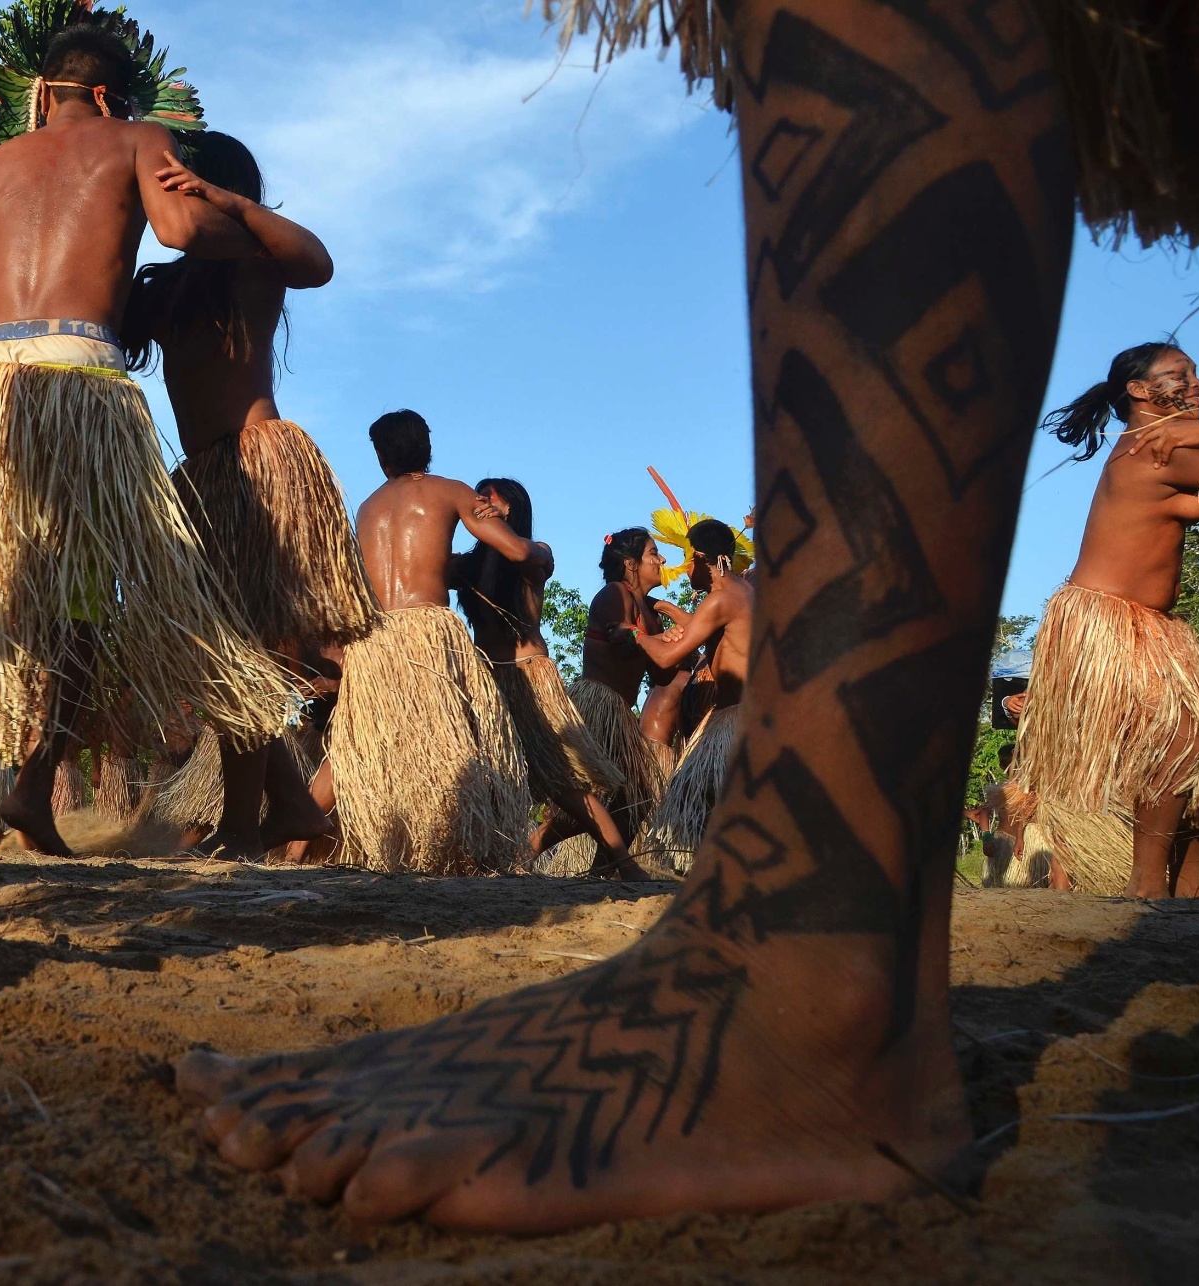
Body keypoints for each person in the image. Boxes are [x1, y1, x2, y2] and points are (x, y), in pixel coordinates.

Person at [175, 0, 1112, 1229]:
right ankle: (807, 961)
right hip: (459, 652)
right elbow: (558, 577)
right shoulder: (470, 506)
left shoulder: (368, 498)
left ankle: (815, 980)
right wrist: (541, 563)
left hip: (397, 634)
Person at [0, 24, 298, 856]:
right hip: (79, 377)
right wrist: (238, 216)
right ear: (114, 97)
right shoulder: (137, 138)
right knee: (84, 601)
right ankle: (34, 784)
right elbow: (179, 232)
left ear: (44, 91)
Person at [120, 130, 373, 859]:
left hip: (260, 465)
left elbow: (318, 263)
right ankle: (289, 806)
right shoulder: (165, 287)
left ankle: (242, 825)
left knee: (244, 650)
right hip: (202, 480)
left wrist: (227, 203)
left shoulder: (256, 263)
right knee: (219, 651)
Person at [1007, 343, 1199, 898]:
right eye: (1178, 375)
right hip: (1110, 623)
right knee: (1176, 742)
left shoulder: (1162, 452)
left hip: (1149, 625)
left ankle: (1188, 894)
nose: (1195, 382)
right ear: (1140, 391)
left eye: (1195, 372)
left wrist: (1197, 431)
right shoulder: (1155, 454)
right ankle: (1146, 888)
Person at [315, 411, 537, 873]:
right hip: (427, 636)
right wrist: (540, 550)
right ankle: (450, 850)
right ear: (428, 447)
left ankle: (297, 840)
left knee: (358, 745)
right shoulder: (450, 491)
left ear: (382, 457)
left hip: (375, 640)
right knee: (451, 742)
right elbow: (516, 550)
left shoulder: (368, 507)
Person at [452, 479, 636, 876]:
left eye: (490, 496)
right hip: (484, 679)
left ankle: (625, 863)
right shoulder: (466, 565)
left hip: (529, 677)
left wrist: (498, 527)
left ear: (513, 506)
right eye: (476, 495)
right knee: (479, 774)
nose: (480, 501)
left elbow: (532, 555)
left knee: (564, 782)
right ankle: (489, 862)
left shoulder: (536, 552)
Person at [621, 517, 755, 871]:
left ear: (698, 557)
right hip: (749, 717)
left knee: (692, 801)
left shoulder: (720, 600)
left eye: (686, 559)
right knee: (704, 801)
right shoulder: (742, 592)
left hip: (735, 720)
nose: (684, 568)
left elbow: (667, 657)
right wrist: (664, 608)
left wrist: (634, 633)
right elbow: (705, 629)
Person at [571, 528, 678, 845]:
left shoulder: (649, 611)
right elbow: (620, 637)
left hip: (620, 714)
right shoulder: (614, 594)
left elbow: (661, 674)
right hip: (597, 707)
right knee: (585, 802)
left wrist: (673, 627)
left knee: (638, 796)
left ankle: (605, 866)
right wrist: (653, 639)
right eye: (653, 553)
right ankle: (532, 848)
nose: (662, 560)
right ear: (631, 564)